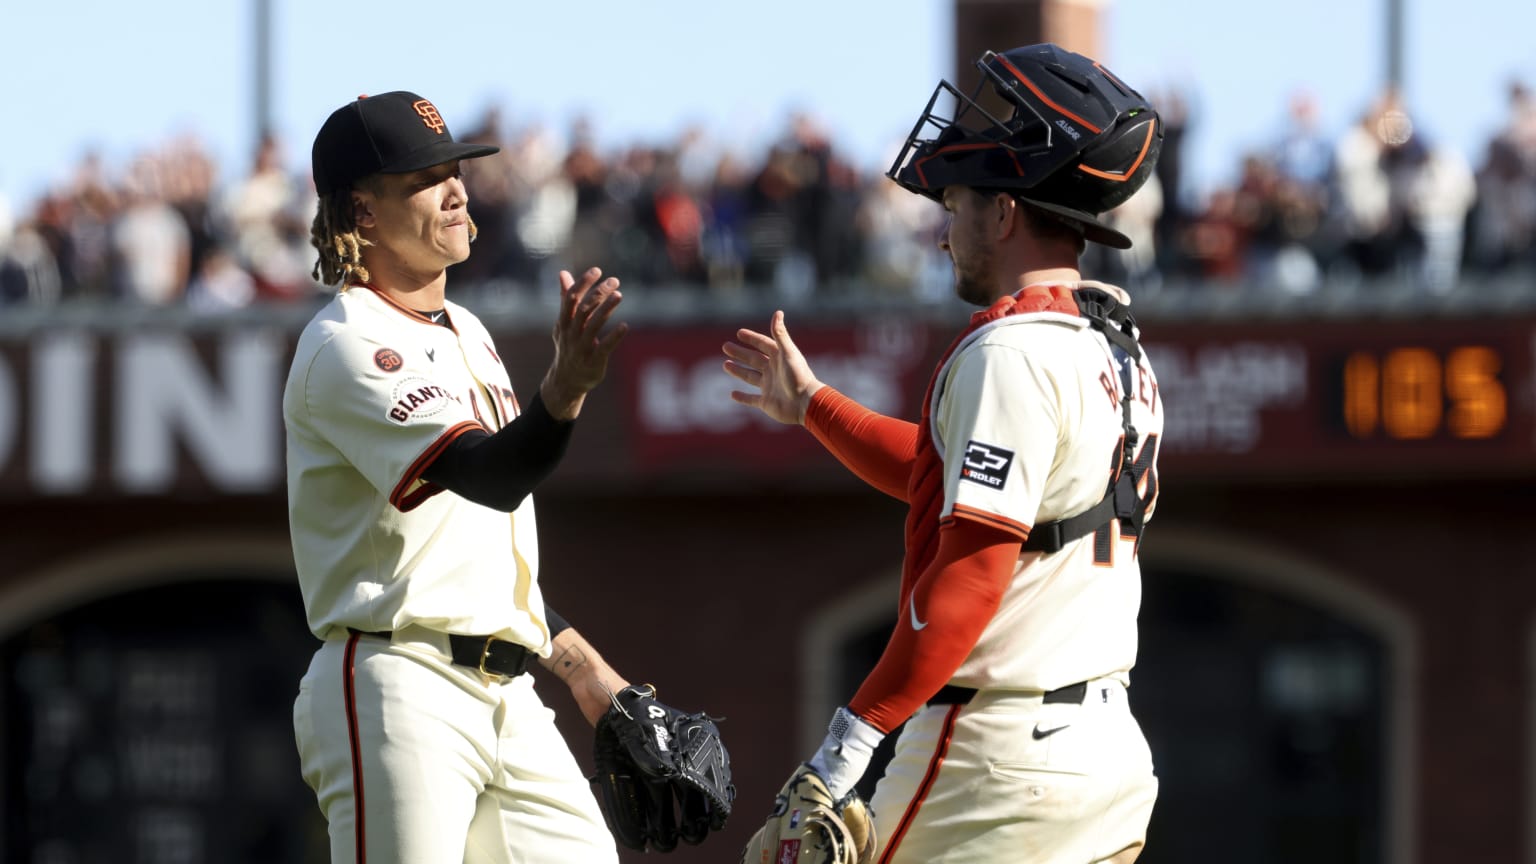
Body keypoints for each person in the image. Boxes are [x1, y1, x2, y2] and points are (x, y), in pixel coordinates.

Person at [725, 44, 1166, 863]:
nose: (942, 235)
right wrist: (816, 406)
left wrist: (844, 749)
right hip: (1105, 761)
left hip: (993, 763)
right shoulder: (1117, 348)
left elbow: (970, 576)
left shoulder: (1012, 349)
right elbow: (954, 482)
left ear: (1003, 214)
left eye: (956, 205)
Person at [284, 90, 721, 864]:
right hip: (398, 681)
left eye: (456, 169)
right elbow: (490, 477)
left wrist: (590, 678)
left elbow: (478, 550)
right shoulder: (346, 343)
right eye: (425, 178)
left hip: (510, 692)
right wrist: (566, 390)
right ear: (363, 212)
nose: (456, 190)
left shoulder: (470, 331)